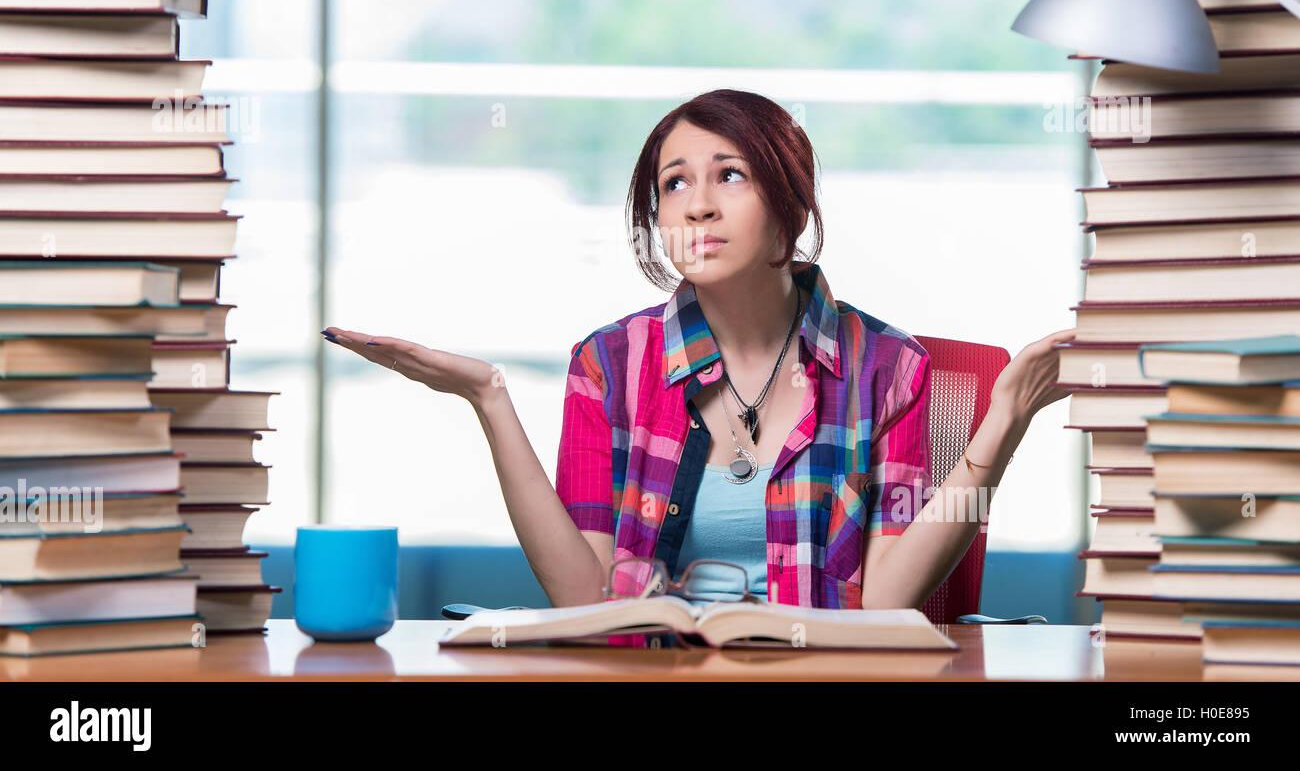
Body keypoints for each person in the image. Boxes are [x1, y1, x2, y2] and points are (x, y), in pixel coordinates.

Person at [323, 89, 1074, 616]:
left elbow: (883, 600)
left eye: (730, 175)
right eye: (673, 183)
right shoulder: (609, 365)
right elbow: (583, 598)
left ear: (790, 205)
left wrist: (1004, 419)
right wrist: (487, 395)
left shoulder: (887, 368)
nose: (697, 203)